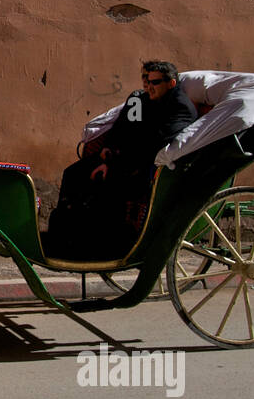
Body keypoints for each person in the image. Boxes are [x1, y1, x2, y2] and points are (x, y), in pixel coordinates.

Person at [45, 60, 197, 259]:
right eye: (146, 80)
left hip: (144, 166)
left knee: (103, 185)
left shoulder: (180, 109)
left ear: (171, 84)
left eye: (155, 82)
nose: (148, 86)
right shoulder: (141, 100)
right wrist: (109, 148)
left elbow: (154, 145)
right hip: (121, 159)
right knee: (74, 173)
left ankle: (100, 245)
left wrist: (113, 165)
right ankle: (64, 235)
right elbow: (123, 127)